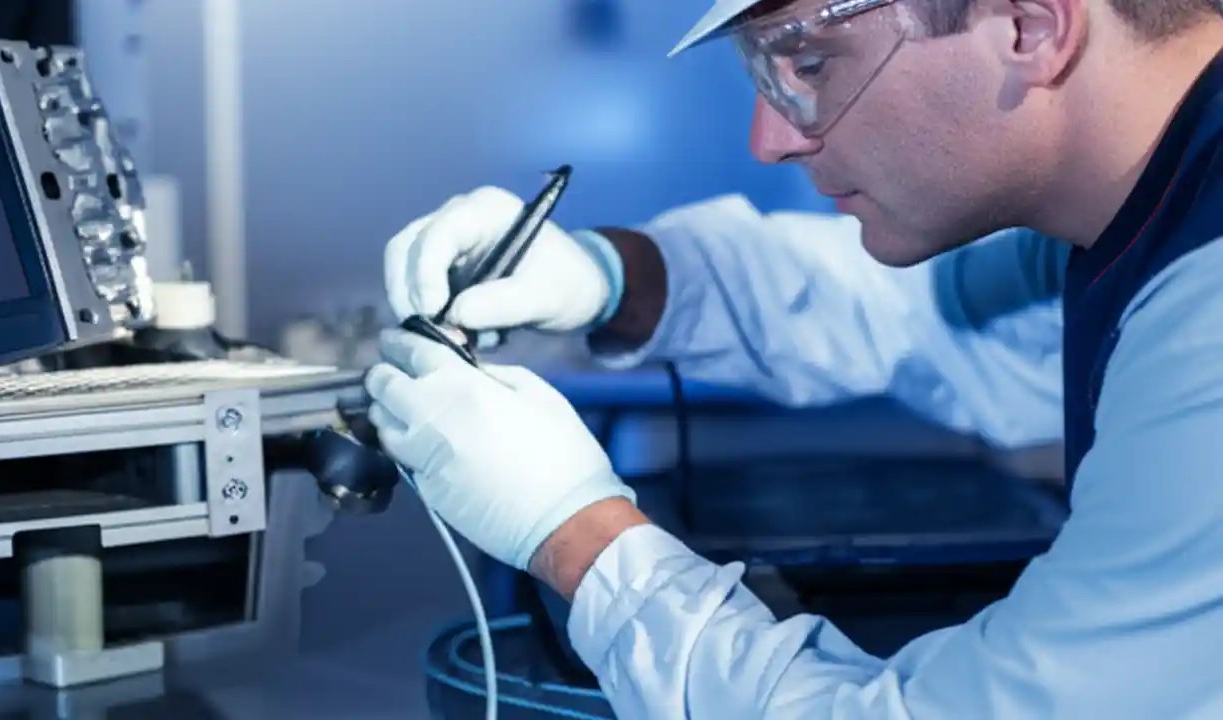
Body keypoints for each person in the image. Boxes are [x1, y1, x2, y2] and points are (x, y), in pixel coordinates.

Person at [367, 0, 1223, 716]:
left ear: (1031, 28)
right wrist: (608, 275)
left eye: (809, 65)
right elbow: (913, 313)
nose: (769, 140)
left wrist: (573, 533)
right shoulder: (1157, 194)